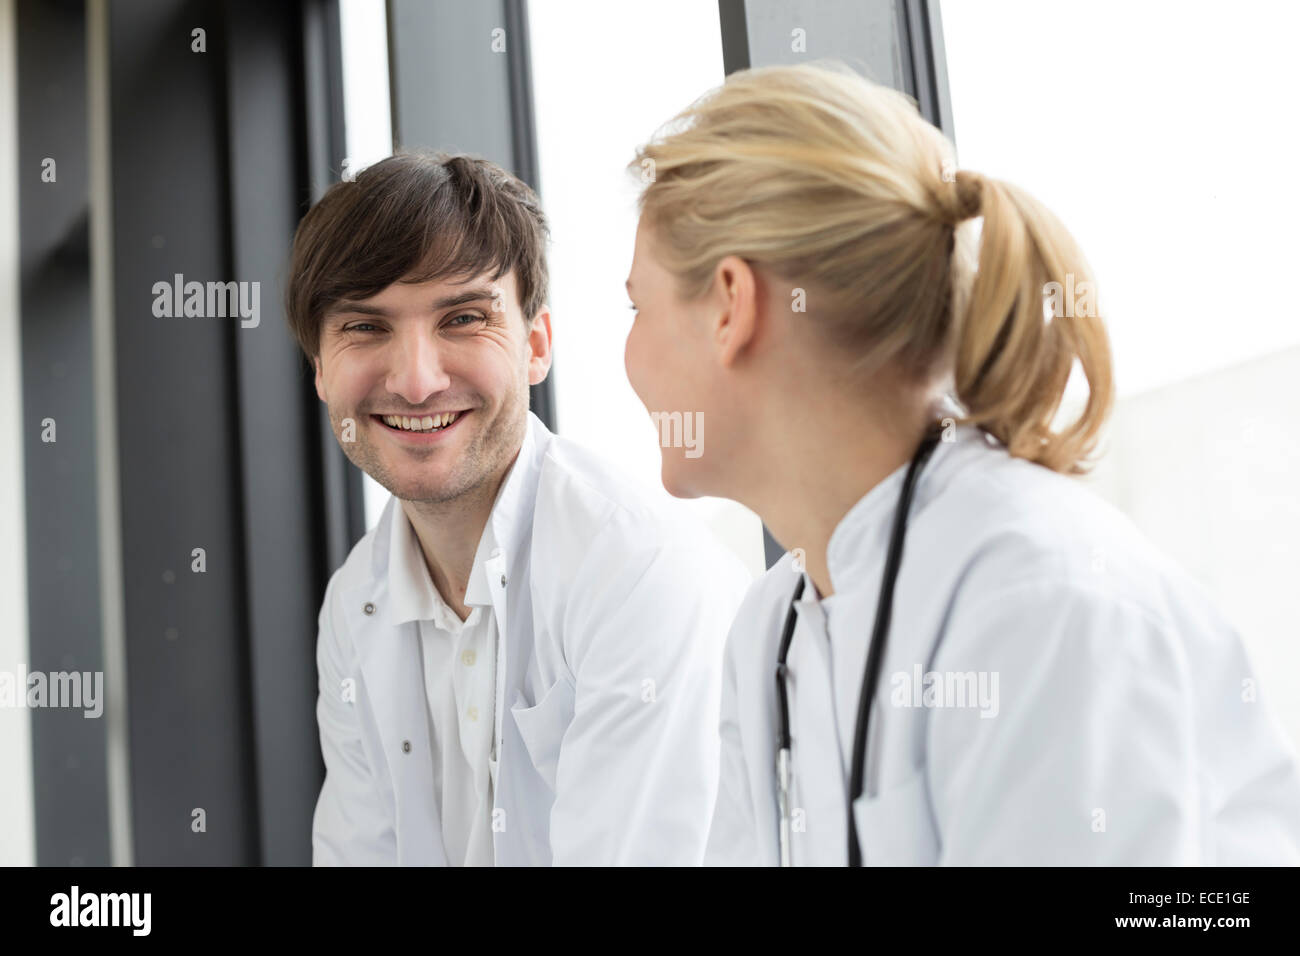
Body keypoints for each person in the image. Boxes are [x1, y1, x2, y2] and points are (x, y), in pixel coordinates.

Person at [622, 61, 1300, 865]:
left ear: (732, 304)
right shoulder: (771, 632)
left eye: (637, 306)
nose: (626, 356)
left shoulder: (1038, 603)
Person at [288, 150, 751, 865]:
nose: (416, 381)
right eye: (365, 327)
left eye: (464, 318)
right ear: (320, 369)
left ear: (536, 345)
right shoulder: (356, 604)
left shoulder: (632, 570)